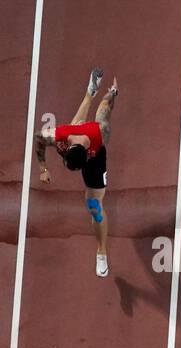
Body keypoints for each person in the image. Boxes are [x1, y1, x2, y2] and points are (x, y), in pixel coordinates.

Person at [34, 69, 118, 277]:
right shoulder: (59, 136)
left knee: (95, 207)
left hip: (96, 158)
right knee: (73, 126)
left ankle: (101, 253)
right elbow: (38, 138)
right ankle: (90, 90)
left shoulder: (100, 132)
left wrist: (113, 92)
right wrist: (43, 168)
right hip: (75, 135)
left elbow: (105, 108)